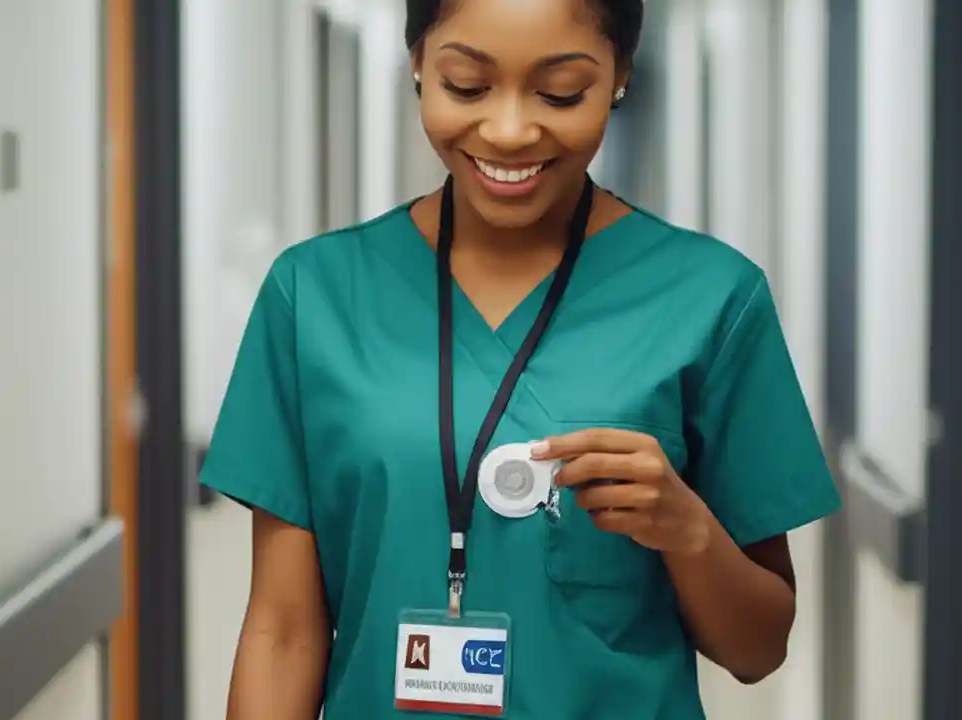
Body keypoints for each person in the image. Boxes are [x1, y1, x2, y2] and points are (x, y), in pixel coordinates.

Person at [200, 0, 841, 717]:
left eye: (560, 93)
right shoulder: (314, 296)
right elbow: (283, 632)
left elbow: (759, 650)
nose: (509, 131)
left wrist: (687, 530)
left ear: (620, 76)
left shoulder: (712, 298)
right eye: (467, 86)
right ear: (418, 64)